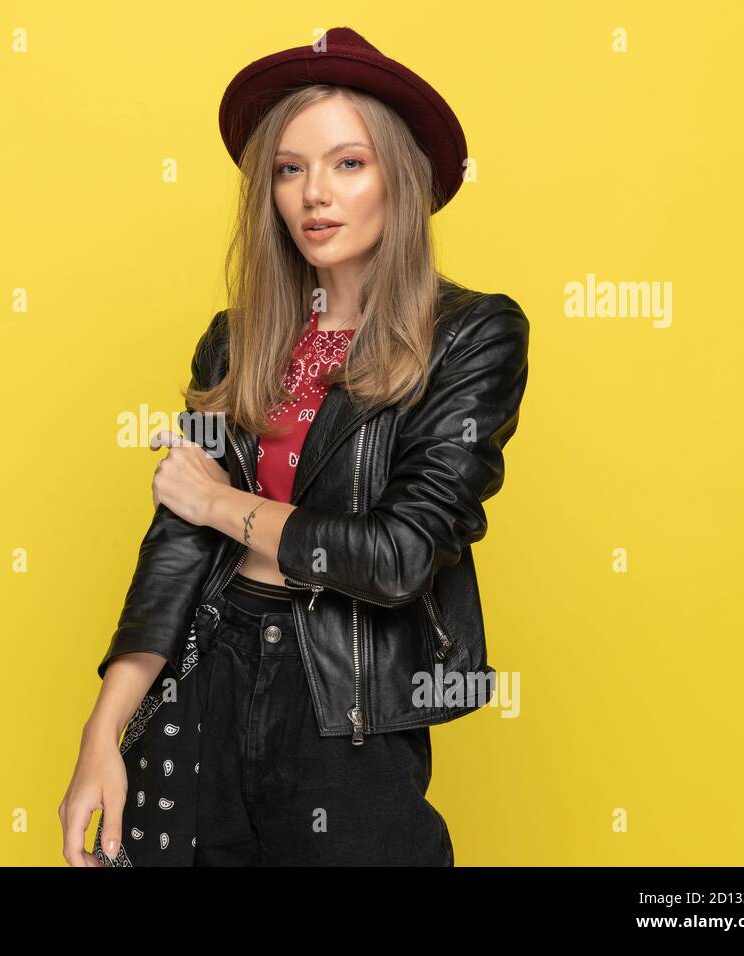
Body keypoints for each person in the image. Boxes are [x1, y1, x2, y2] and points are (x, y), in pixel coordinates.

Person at [60, 26, 530, 866]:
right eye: (290, 167)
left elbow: (398, 556)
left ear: (400, 178)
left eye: (349, 163)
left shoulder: (473, 336)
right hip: (209, 677)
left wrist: (221, 502)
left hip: (343, 704)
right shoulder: (233, 341)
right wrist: (102, 732)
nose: (315, 192)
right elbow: (175, 541)